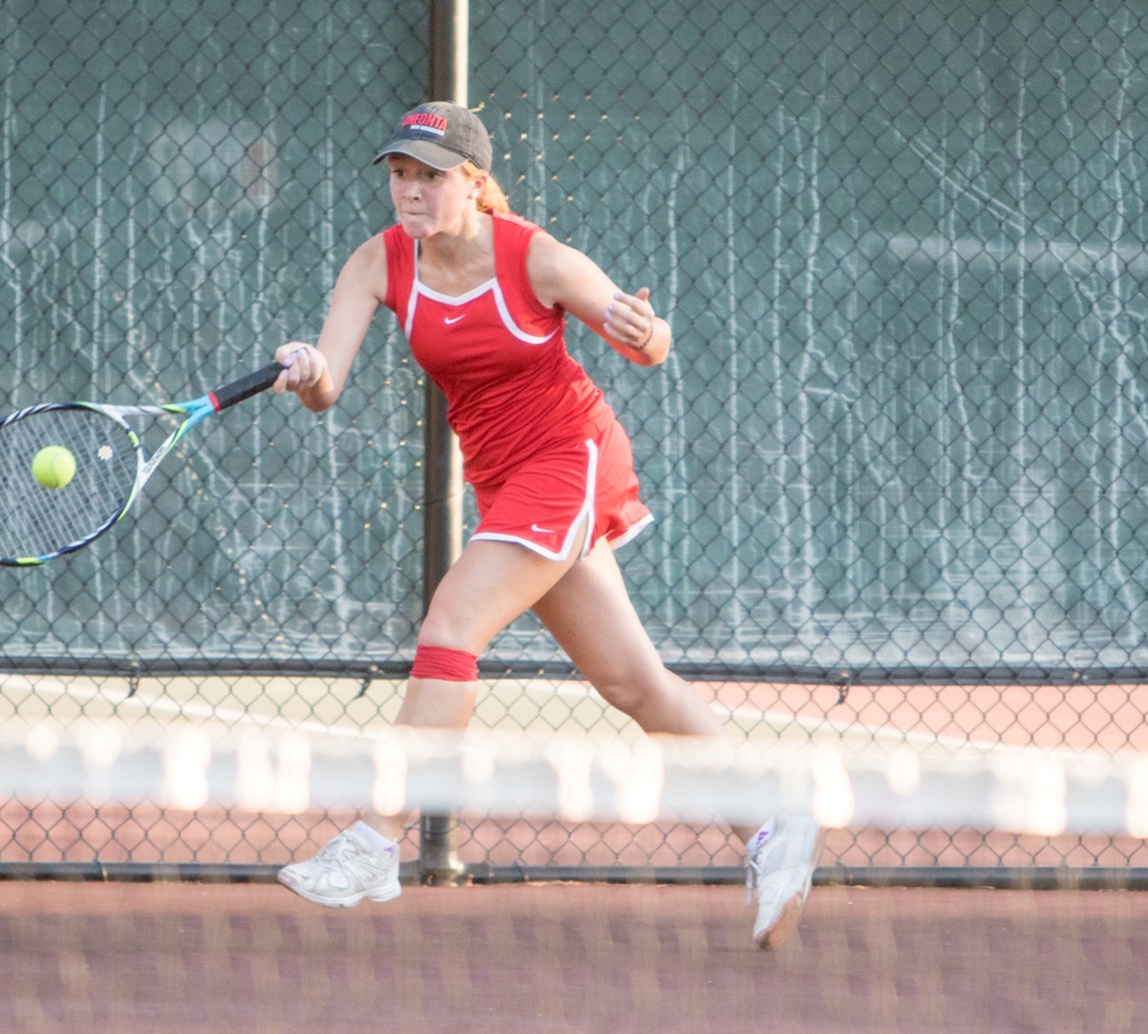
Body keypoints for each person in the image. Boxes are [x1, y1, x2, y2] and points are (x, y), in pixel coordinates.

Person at [269, 101, 820, 950]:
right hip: (504, 482)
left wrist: (649, 334)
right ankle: (774, 820)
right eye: (399, 174)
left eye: (429, 175)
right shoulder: (376, 265)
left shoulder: (536, 257)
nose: (409, 191)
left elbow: (647, 339)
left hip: (568, 458)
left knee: (451, 627)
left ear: (475, 183)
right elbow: (328, 382)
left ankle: (377, 840)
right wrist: (306, 370)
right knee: (632, 683)